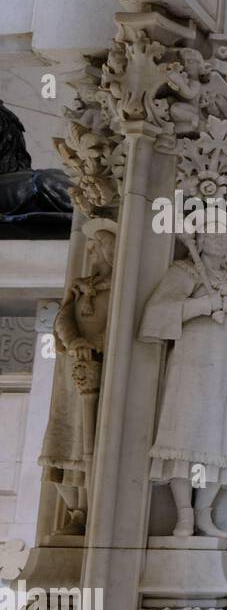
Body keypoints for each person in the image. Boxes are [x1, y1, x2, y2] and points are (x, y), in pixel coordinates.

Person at [139, 227, 227, 538]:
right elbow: (154, 316)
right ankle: (183, 515)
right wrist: (202, 306)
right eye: (213, 235)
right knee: (185, 441)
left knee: (217, 442)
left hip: (223, 376)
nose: (219, 241)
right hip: (189, 372)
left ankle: (204, 513)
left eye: (225, 237)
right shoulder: (185, 273)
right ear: (201, 240)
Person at [38, 218, 116, 534]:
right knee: (63, 441)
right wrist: (74, 342)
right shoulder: (80, 286)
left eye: (101, 244)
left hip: (102, 376)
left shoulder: (118, 290)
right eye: (93, 244)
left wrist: (96, 343)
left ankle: (90, 511)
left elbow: (120, 326)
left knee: (90, 442)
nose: (94, 250)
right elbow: (62, 320)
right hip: (72, 378)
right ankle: (75, 513)